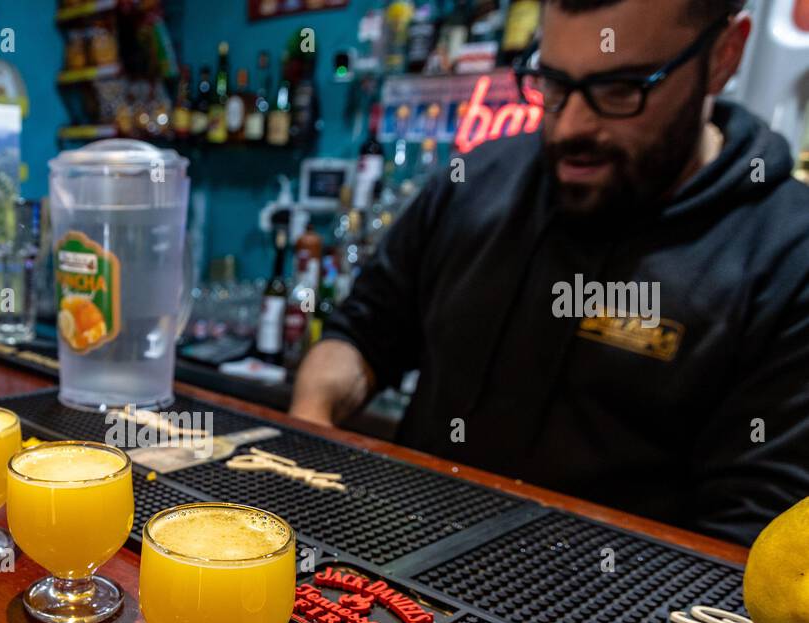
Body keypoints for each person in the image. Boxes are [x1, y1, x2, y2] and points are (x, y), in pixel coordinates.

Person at [290, 0, 809, 546]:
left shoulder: (787, 254)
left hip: (610, 617)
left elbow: (751, 535)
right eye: (554, 84)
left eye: (620, 89)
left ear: (724, 55)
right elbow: (364, 333)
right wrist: (310, 424)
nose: (570, 126)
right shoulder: (476, 180)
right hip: (400, 580)